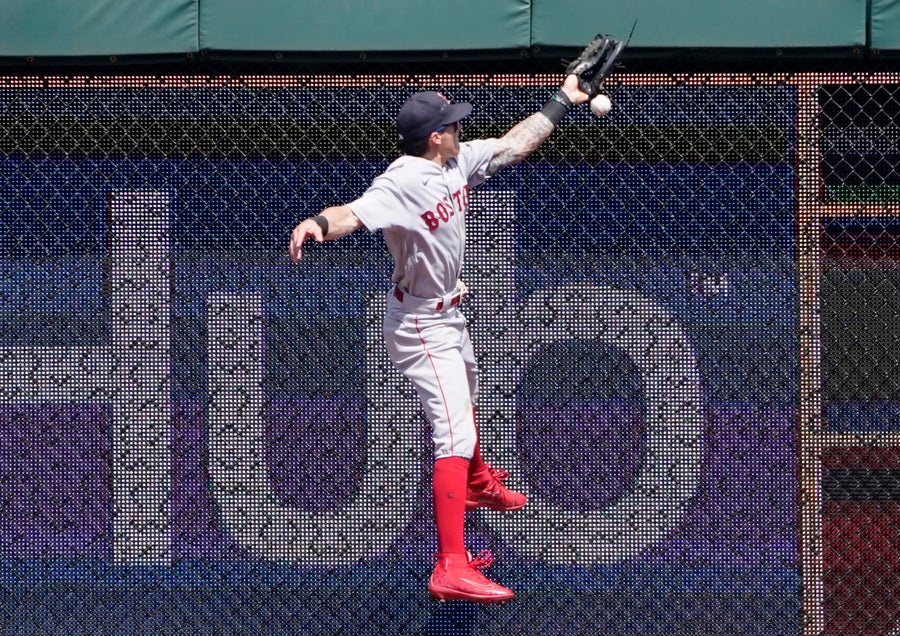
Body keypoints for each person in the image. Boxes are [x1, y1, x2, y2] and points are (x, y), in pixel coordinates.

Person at [289, 74, 594, 603]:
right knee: (452, 434)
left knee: (467, 408)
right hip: (420, 325)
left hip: (449, 318)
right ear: (435, 136)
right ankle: (451, 565)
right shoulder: (403, 180)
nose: (460, 126)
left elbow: (513, 144)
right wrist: (317, 222)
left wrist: (563, 99)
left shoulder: (455, 161)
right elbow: (354, 213)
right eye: (453, 122)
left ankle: (475, 481)